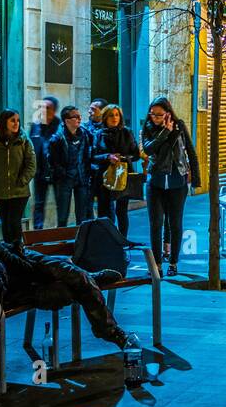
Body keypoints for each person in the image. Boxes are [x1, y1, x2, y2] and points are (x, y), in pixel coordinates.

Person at [0, 221, 135, 350]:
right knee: (62, 290)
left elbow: (7, 256)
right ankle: (91, 279)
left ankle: (110, 329)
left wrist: (37, 267)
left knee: (69, 274)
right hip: (10, 288)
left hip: (20, 262)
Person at [141, 97, 200, 277]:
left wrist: (196, 180)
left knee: (175, 223)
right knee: (156, 224)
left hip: (177, 182)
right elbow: (149, 150)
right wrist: (164, 133)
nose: (156, 118)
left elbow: (191, 151)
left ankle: (173, 262)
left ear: (168, 113)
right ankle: (157, 264)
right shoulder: (148, 128)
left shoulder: (179, 126)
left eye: (160, 115)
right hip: (156, 182)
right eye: (153, 115)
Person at [0, 109, 36, 244]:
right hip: (0, 192)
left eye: (18, 120)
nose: (16, 123)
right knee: (5, 224)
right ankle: (9, 253)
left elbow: (31, 164)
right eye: (12, 120)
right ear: (4, 122)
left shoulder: (23, 140)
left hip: (19, 192)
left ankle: (17, 251)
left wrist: (22, 181)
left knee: (14, 222)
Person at [92, 103, 141, 243]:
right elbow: (93, 156)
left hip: (122, 175)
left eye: (117, 115)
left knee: (122, 210)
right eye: (111, 115)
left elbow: (136, 154)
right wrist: (108, 157)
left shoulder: (127, 132)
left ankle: (123, 240)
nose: (114, 118)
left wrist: (123, 158)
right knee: (106, 211)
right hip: (105, 176)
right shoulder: (99, 134)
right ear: (105, 117)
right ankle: (107, 240)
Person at [48, 104, 95, 226]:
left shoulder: (85, 134)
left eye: (79, 116)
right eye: (76, 117)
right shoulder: (57, 139)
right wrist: (61, 173)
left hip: (82, 178)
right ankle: (61, 241)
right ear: (67, 120)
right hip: (65, 180)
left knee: (82, 215)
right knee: (63, 215)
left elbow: (89, 154)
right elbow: (52, 161)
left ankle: (82, 241)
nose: (79, 119)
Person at [28, 95, 59, 230]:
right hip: (40, 172)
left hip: (57, 172)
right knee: (39, 204)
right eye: (42, 107)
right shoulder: (35, 126)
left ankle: (62, 234)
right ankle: (37, 235)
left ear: (54, 110)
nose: (44, 110)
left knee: (61, 204)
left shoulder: (60, 126)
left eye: (47, 108)